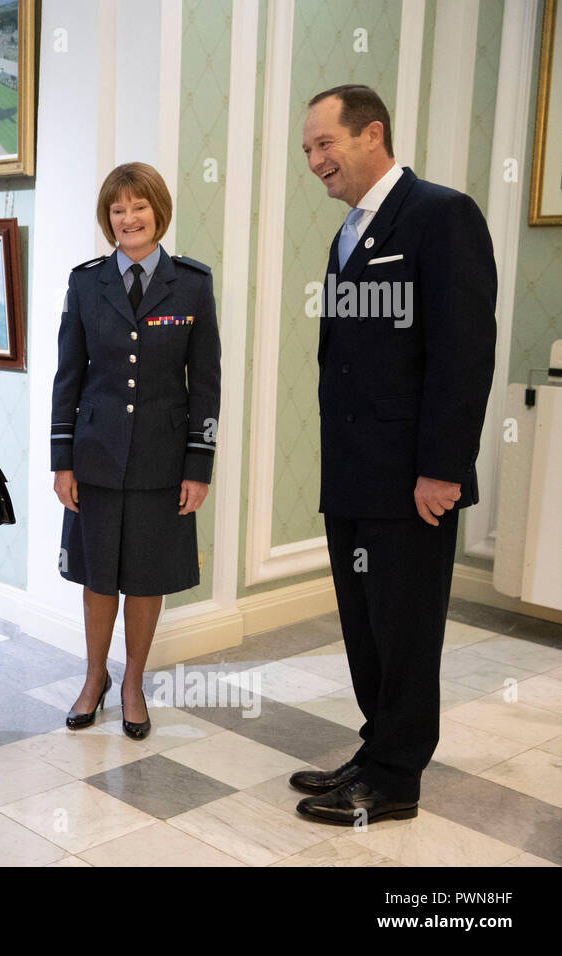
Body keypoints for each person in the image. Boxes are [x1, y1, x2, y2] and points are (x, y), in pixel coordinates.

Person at [293, 85, 495, 824]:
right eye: (307, 149)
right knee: (366, 626)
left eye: (324, 144)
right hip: (352, 473)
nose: (314, 160)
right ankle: (377, 745)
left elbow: (463, 353)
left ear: (371, 134)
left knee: (406, 630)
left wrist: (443, 468)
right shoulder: (349, 232)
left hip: (414, 479)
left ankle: (397, 780)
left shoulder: (441, 216)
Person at [51, 162, 220, 740]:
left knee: (146, 578)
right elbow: (67, 376)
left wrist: (200, 465)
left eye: (138, 207)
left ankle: (132, 683)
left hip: (162, 461)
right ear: (108, 219)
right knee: (99, 576)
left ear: (159, 212)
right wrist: (62, 460)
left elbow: (207, 382)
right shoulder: (85, 282)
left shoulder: (192, 284)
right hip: (95, 457)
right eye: (117, 210)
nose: (128, 218)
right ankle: (93, 678)